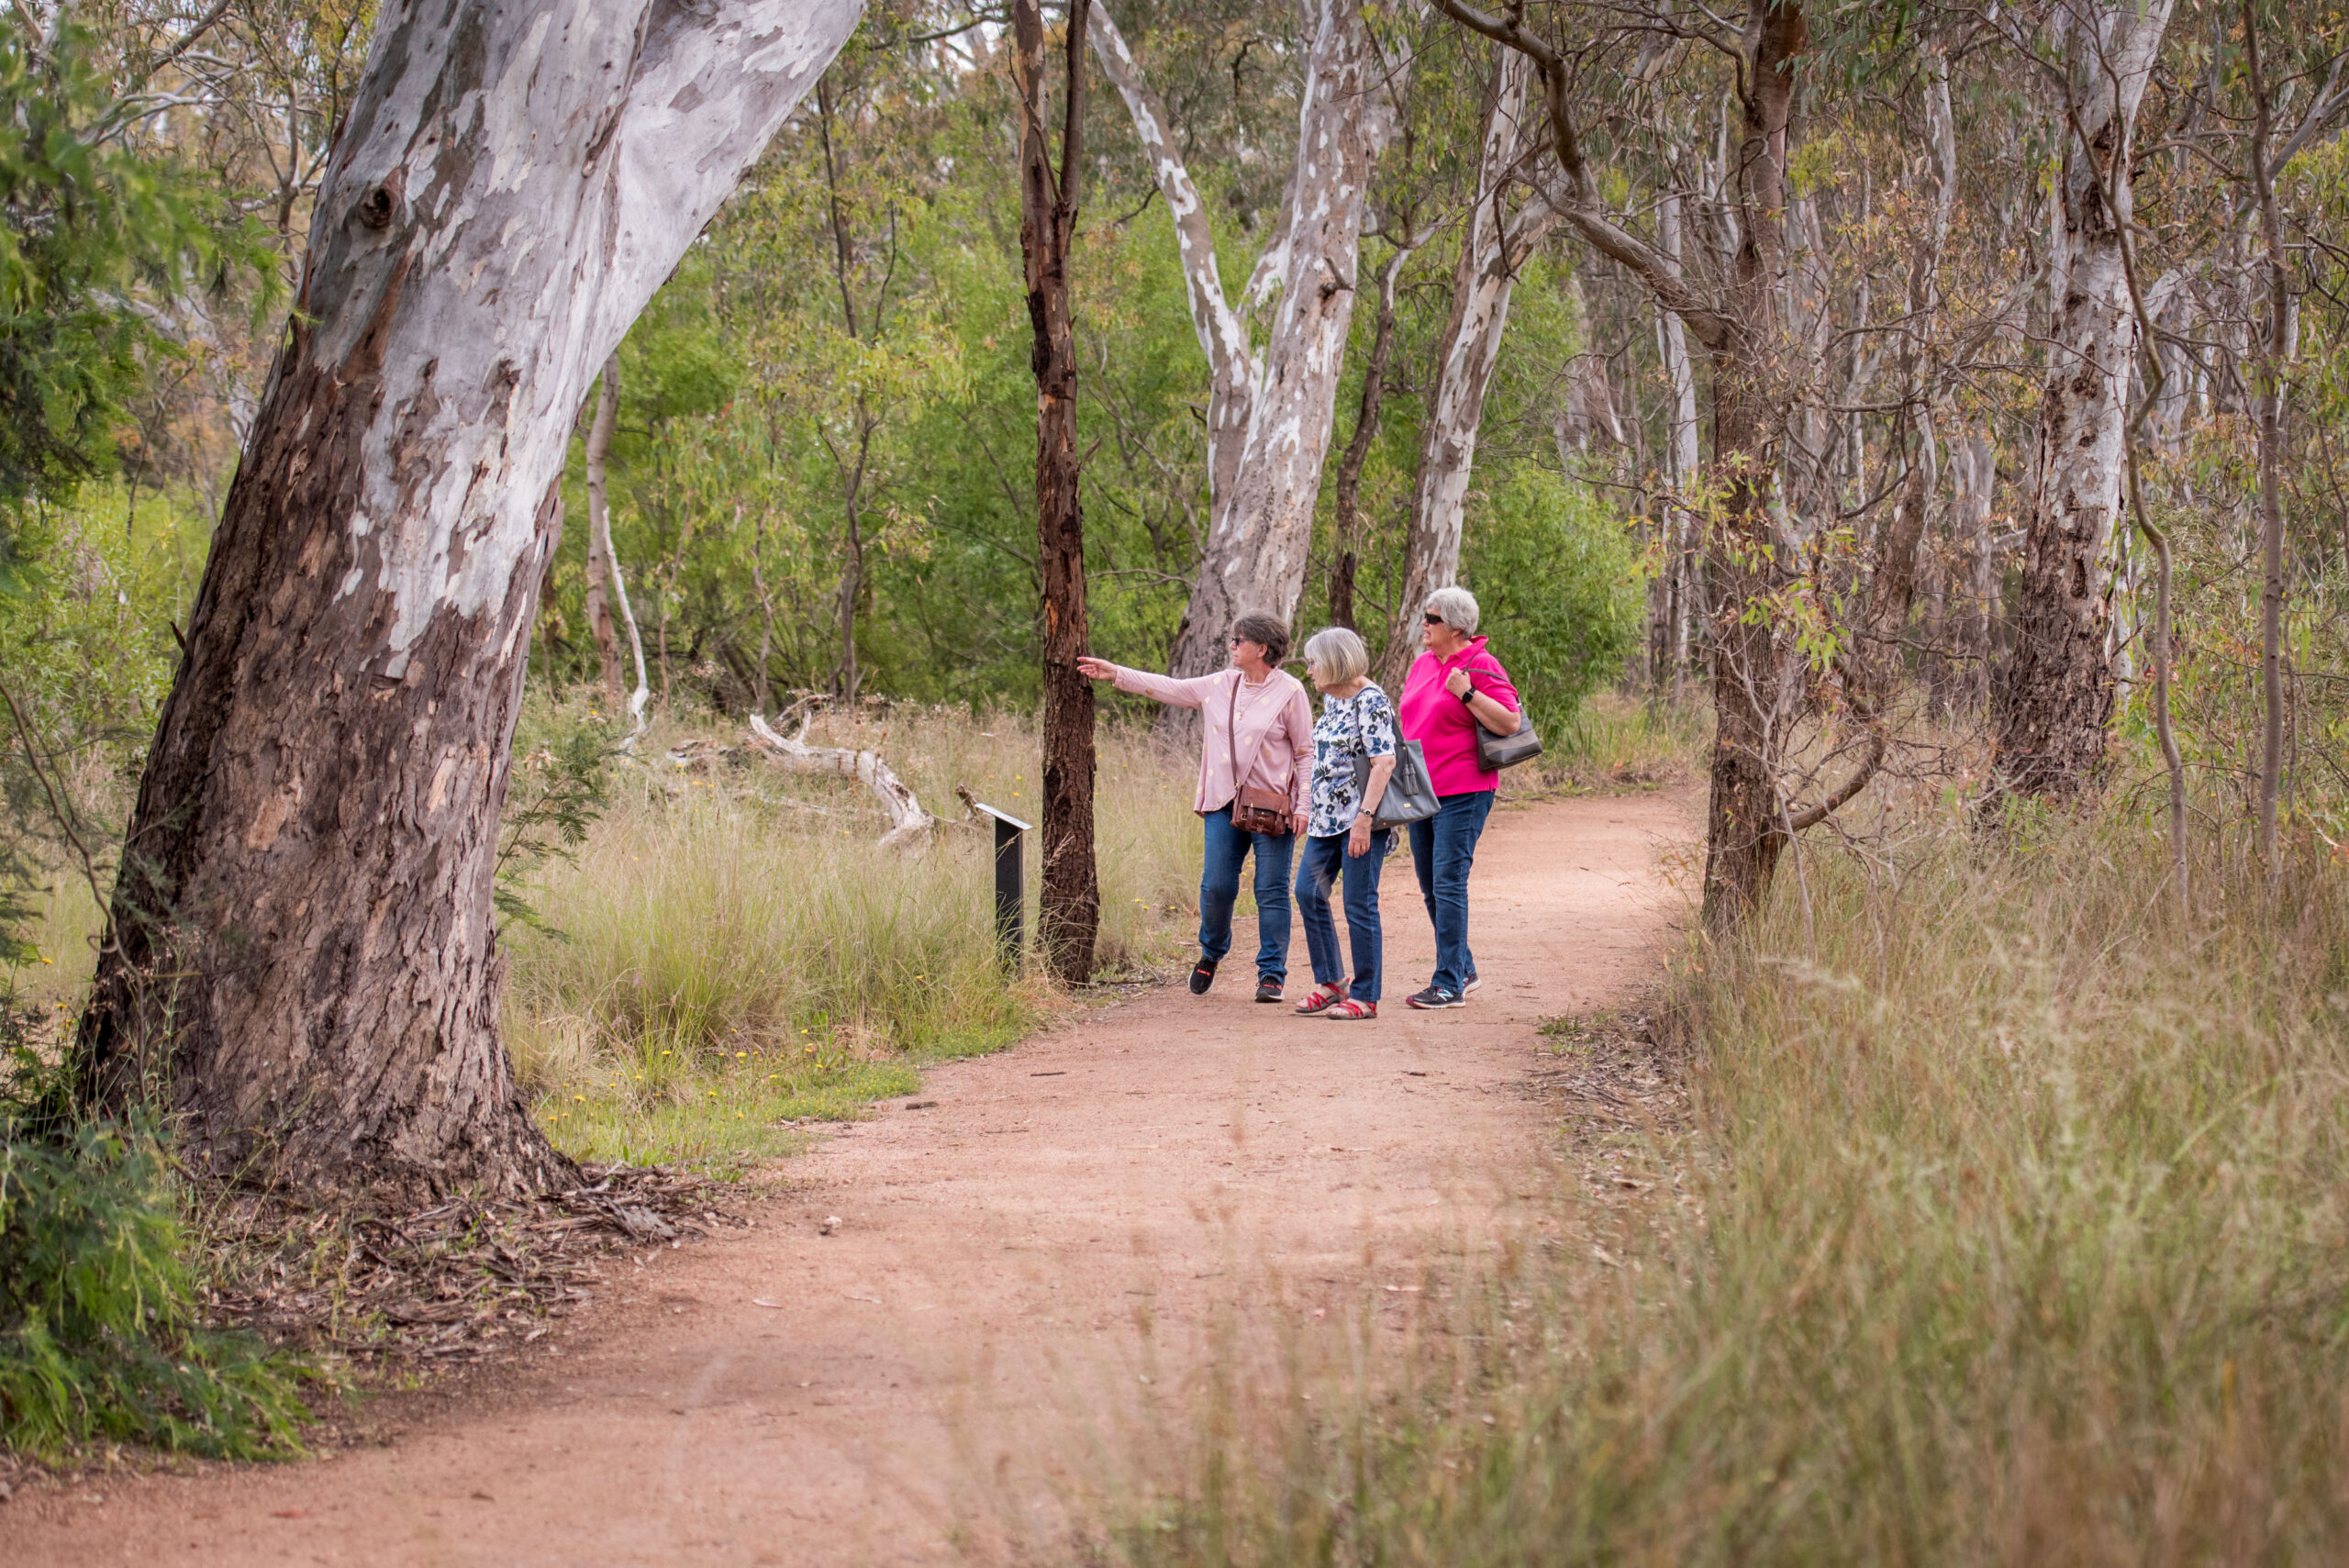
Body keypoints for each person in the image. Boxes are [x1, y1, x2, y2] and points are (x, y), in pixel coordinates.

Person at [1076, 612, 1313, 1002]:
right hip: (1223, 802)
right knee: (1217, 886)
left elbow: (1305, 753)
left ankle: (1271, 974)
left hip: (1272, 807)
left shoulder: (1291, 692)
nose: (1232, 647)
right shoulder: (1220, 684)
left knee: (1270, 890)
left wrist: (1303, 806)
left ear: (1262, 648)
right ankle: (1212, 952)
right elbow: (1169, 687)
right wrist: (1116, 672)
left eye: (1238, 641)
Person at [1396, 585, 1522, 1010]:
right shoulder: (1422, 665)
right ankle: (1463, 969)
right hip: (1422, 790)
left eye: (1431, 619)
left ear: (1455, 626)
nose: (1424, 626)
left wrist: (1467, 692)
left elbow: (1509, 722)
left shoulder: (1481, 663)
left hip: (1464, 790)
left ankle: (1448, 983)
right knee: (1431, 886)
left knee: (1449, 883)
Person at [1291, 628, 1397, 1021]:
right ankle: (1332, 982)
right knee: (1307, 893)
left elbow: (1383, 762)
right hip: (1324, 821)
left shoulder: (1372, 701)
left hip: (1359, 820)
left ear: (1335, 661)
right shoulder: (1332, 699)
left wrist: (1365, 820)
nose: (1309, 671)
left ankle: (1366, 995)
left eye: (1313, 662)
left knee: (1359, 904)